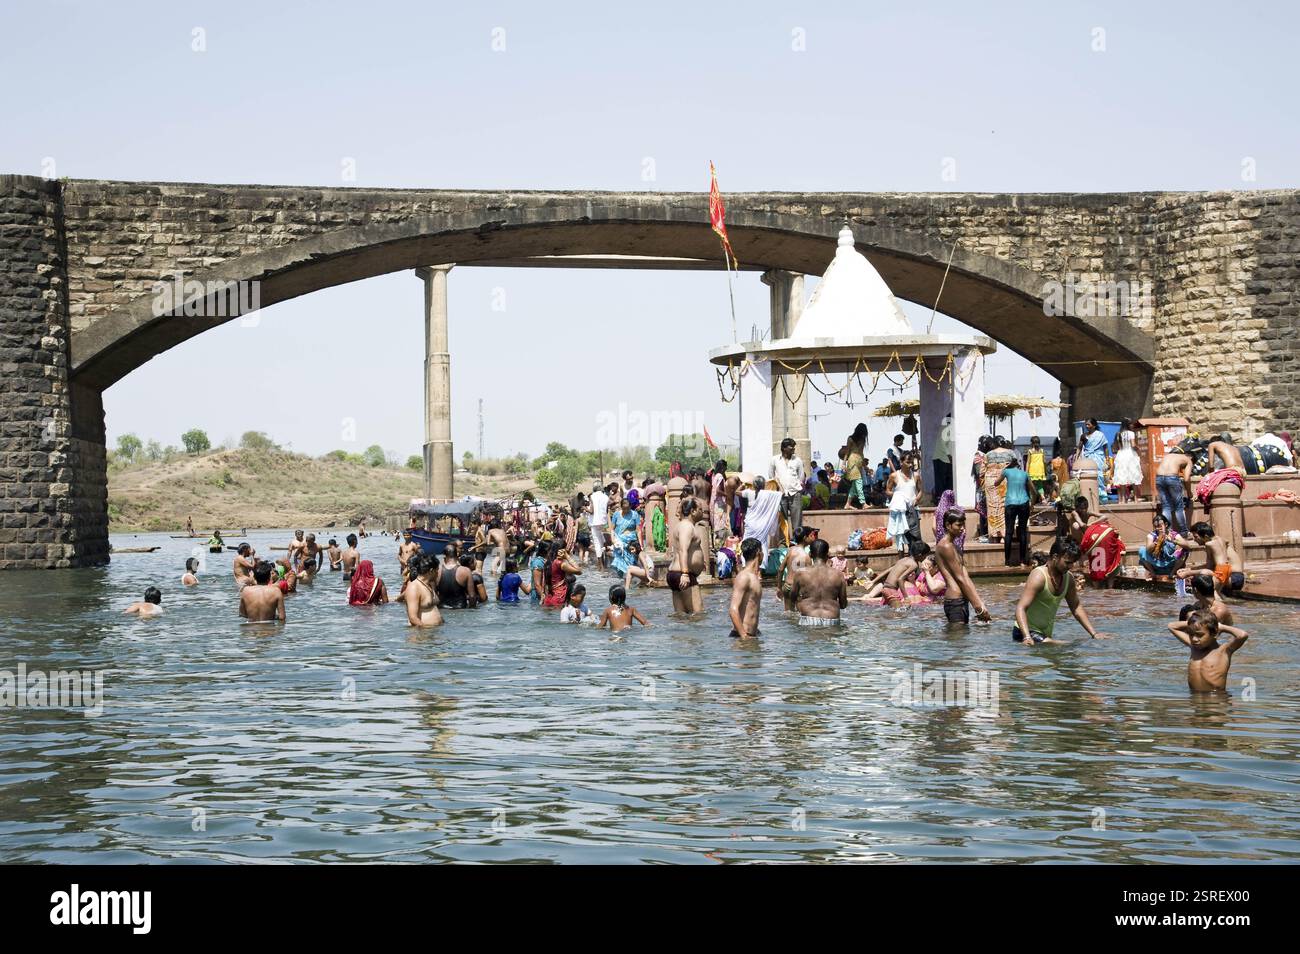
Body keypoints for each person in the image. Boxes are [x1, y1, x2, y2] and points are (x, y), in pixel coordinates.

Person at [1013, 538, 1107, 645]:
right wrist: (1026, 637)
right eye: (1067, 562)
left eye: (1072, 563)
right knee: (1070, 646)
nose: (1070, 566)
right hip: (1024, 632)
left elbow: (1076, 607)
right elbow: (1021, 608)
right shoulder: (1039, 576)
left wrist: (1094, 634)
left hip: (1044, 635)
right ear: (1055, 557)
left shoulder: (1068, 579)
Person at [1167, 611, 1249, 693]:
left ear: (1215, 632)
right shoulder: (1193, 647)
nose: (1194, 639)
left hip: (1217, 699)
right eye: (1191, 634)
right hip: (1194, 699)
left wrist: (1221, 626)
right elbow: (1171, 626)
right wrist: (1196, 622)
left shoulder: (1224, 650)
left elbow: (1242, 635)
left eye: (1200, 635)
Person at [936, 509, 992, 626]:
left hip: (962, 600)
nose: (962, 528)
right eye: (959, 525)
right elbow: (960, 579)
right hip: (954, 601)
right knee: (958, 642)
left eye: (963, 525)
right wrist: (978, 608)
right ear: (948, 525)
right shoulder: (945, 546)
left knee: (963, 642)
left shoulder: (955, 546)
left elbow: (966, 576)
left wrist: (980, 604)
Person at [1174, 521, 1244, 596]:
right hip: (1238, 578)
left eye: (1196, 537)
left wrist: (1188, 573)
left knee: (1200, 580)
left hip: (1229, 577)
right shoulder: (1220, 539)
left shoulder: (1209, 544)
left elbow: (1208, 569)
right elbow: (1212, 565)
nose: (1194, 540)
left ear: (1206, 536)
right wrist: (1189, 569)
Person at [788, 538, 848, 625]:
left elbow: (792, 598)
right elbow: (843, 605)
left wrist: (802, 604)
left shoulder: (800, 574)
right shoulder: (838, 575)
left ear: (810, 554)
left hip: (808, 618)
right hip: (832, 619)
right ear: (828, 554)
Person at [995, 454, 1038, 567]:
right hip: (1024, 503)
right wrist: (1032, 504)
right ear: (1019, 465)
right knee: (1023, 532)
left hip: (1010, 503)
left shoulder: (1006, 472)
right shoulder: (1025, 474)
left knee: (1009, 531)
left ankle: (1007, 562)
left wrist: (1004, 470)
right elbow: (1034, 491)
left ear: (1009, 464)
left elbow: (996, 483)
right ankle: (1023, 561)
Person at [667, 498, 707, 614]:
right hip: (683, 575)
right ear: (693, 511)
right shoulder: (687, 526)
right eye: (700, 509)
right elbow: (683, 550)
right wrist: (685, 574)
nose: (702, 512)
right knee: (697, 615)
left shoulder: (683, 525)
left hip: (676, 574)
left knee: (681, 616)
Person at [859, 540, 927, 605]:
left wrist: (873, 581)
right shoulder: (914, 564)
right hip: (891, 590)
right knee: (899, 614)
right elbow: (900, 579)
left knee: (894, 612)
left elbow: (888, 570)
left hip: (885, 588)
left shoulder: (903, 560)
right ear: (920, 555)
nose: (925, 558)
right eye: (925, 555)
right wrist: (906, 597)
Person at [769, 437, 806, 542]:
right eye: (791, 447)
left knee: (797, 522)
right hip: (780, 495)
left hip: (795, 493)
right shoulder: (775, 460)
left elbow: (801, 476)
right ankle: (783, 543)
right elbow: (771, 475)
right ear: (784, 448)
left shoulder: (797, 460)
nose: (794, 449)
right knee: (782, 521)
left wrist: (796, 486)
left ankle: (797, 542)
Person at [727, 538, 764, 639]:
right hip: (741, 636)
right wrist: (744, 636)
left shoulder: (754, 577)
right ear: (758, 552)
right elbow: (733, 610)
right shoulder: (744, 577)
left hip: (751, 635)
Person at [983, 436, 1017, 543]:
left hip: (991, 483)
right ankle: (1004, 536)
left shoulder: (988, 454)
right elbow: (1016, 468)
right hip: (1005, 481)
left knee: (992, 508)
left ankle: (993, 536)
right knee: (1004, 507)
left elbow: (981, 472)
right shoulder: (1011, 453)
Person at [740, 476, 782, 563]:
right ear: (764, 485)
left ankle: (745, 563)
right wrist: (778, 482)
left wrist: (743, 485)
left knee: (746, 542)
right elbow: (782, 493)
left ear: (754, 485)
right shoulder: (768, 494)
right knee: (762, 543)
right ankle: (761, 569)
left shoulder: (748, 492)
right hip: (762, 525)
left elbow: (736, 492)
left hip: (750, 524)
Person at [885, 453, 921, 552]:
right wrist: (898, 496)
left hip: (913, 510)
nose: (910, 465)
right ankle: (901, 562)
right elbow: (887, 490)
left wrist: (917, 500)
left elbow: (921, 491)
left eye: (911, 463)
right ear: (901, 462)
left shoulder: (916, 475)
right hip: (899, 511)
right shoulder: (894, 476)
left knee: (915, 538)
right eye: (908, 462)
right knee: (900, 538)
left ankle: (914, 560)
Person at [1154, 447, 1193, 533]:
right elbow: (1186, 479)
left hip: (1159, 478)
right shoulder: (1187, 459)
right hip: (1172, 478)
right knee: (1179, 507)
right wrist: (1190, 493)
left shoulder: (1167, 456)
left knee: (1166, 506)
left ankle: (1168, 532)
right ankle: (1184, 532)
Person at [1138, 513, 1186, 580]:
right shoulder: (1151, 535)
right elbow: (1148, 550)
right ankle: (1153, 573)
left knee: (1184, 550)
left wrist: (1173, 541)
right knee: (1141, 550)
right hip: (1156, 564)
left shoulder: (1173, 534)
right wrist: (1157, 541)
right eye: (1156, 526)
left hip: (1171, 564)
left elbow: (1187, 545)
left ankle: (1172, 574)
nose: (1158, 528)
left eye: (1160, 526)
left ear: (1166, 525)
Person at [402, 553, 443, 627]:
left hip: (433, 634)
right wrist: (426, 630)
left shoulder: (429, 585)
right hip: (421, 635)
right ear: (431, 571)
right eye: (437, 570)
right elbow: (413, 618)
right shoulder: (414, 587)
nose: (438, 573)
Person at [777, 526, 813, 610]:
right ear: (805, 538)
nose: (811, 538)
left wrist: (779, 587)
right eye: (810, 536)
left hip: (786, 586)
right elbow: (810, 578)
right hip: (798, 589)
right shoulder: (806, 557)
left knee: (788, 613)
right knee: (799, 614)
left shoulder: (790, 550)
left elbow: (780, 569)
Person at [608, 497, 642, 577]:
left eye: (627, 509)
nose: (626, 511)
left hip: (631, 542)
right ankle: (621, 580)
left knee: (631, 561)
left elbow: (638, 530)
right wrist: (613, 540)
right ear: (621, 507)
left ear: (630, 507)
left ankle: (630, 579)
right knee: (619, 562)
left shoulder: (634, 514)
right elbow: (612, 529)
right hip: (620, 543)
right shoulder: (616, 514)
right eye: (624, 509)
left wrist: (640, 544)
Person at [1111, 419, 1144, 502]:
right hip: (1130, 455)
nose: (1132, 425)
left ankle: (1122, 500)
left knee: (1122, 476)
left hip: (1121, 455)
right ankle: (1136, 499)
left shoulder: (1118, 434)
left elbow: (1115, 446)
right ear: (1128, 425)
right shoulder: (1131, 433)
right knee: (1134, 475)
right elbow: (1133, 445)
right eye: (1131, 424)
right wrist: (1138, 449)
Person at [838, 423, 868, 509]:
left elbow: (861, 453)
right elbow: (847, 452)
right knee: (859, 482)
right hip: (852, 462)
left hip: (859, 462)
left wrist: (864, 465)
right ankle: (863, 503)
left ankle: (847, 504)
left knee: (855, 485)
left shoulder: (862, 440)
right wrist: (843, 464)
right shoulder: (851, 439)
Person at [1079, 418, 1110, 496]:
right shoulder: (1084, 436)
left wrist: (1107, 459)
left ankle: (1102, 493)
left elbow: (1105, 447)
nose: (1086, 426)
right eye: (1086, 424)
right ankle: (1090, 493)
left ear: (1094, 425)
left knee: (1099, 474)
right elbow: (1079, 448)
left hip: (1098, 457)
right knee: (1088, 474)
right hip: (1088, 458)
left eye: (1088, 424)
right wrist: (1076, 459)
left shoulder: (1100, 435)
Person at [587, 482, 610, 569]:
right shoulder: (606, 497)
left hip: (594, 522)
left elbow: (592, 511)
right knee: (601, 541)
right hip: (603, 521)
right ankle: (604, 561)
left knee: (597, 543)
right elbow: (607, 508)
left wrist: (584, 508)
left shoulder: (592, 496)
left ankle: (601, 565)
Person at [932, 414, 954, 499]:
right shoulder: (947, 428)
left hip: (941, 458)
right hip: (943, 458)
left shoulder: (945, 428)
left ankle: (942, 499)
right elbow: (942, 443)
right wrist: (949, 455)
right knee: (944, 482)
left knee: (942, 481)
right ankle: (942, 500)